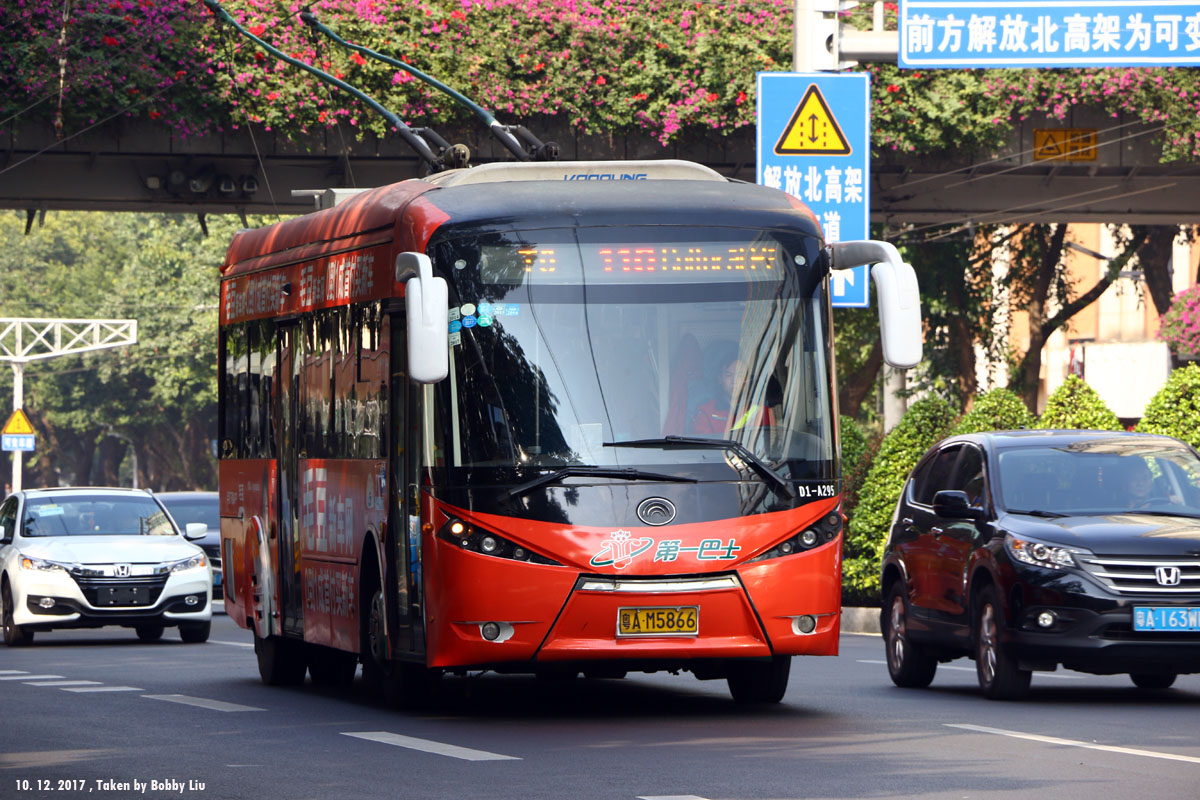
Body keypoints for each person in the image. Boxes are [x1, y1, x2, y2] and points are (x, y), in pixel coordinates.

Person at [689, 355, 774, 435]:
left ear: (747, 380)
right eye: (729, 375)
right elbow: (704, 449)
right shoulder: (704, 413)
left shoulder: (762, 412)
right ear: (720, 379)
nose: (734, 381)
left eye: (740, 375)